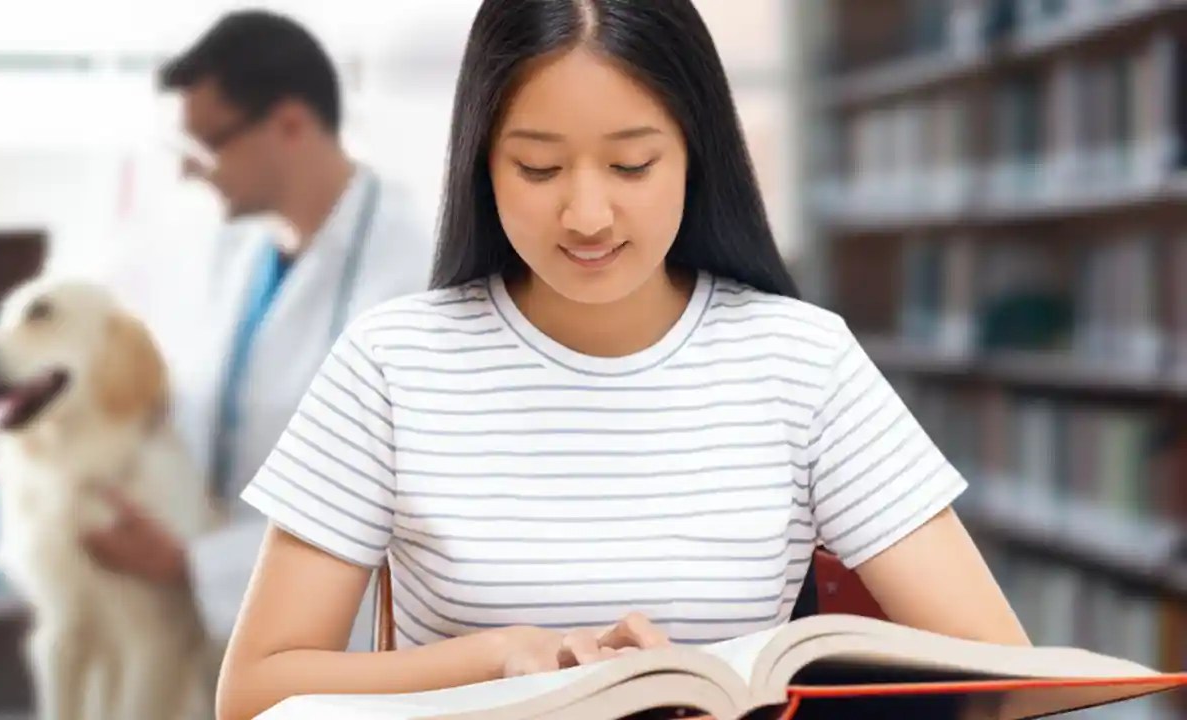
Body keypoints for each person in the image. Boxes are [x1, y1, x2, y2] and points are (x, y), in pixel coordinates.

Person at [215, 1, 1031, 718]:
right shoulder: (391, 363)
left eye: (632, 165)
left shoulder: (802, 361)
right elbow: (254, 692)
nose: (588, 214)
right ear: (482, 162)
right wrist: (502, 660)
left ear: (696, 153)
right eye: (537, 167)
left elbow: (1004, 671)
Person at [81, 9, 433, 654]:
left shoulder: (412, 273)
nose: (190, 172)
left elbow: (386, 508)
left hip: (339, 642)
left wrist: (192, 565)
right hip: (225, 618)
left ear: (290, 124)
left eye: (208, 145)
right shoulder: (238, 252)